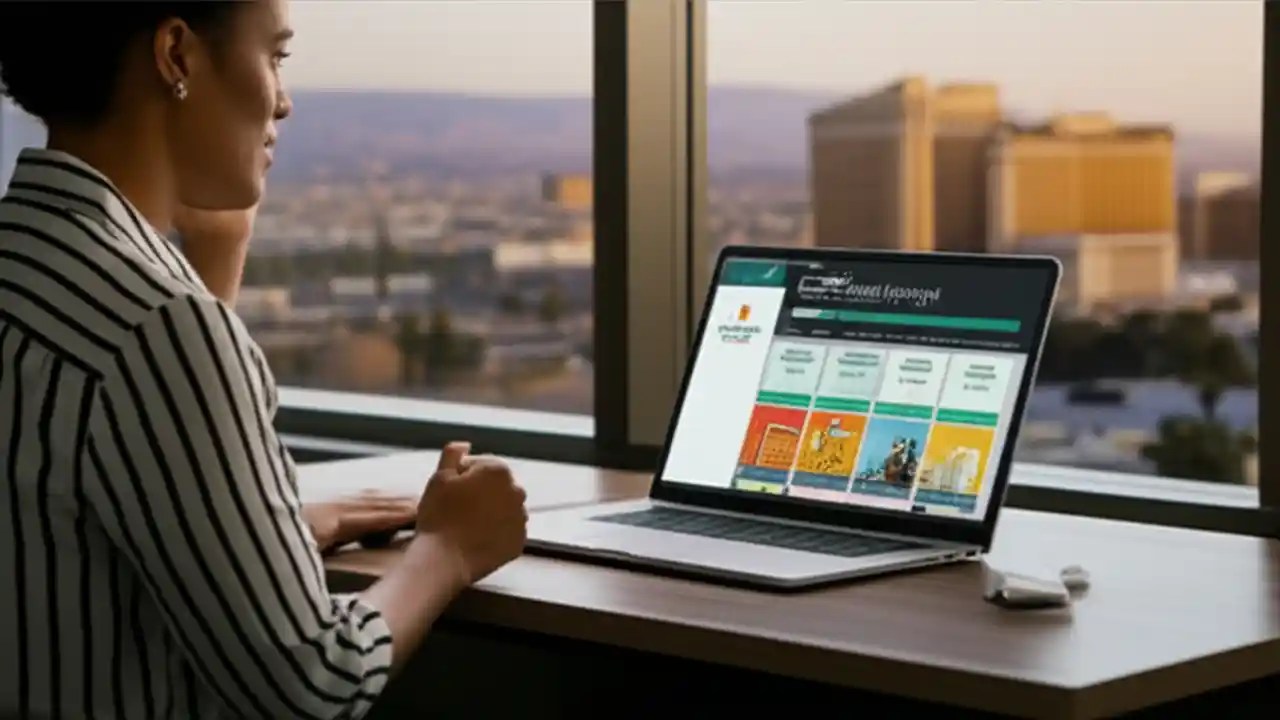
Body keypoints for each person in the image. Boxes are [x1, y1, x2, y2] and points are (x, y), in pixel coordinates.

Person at [0, 1, 528, 718]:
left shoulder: (34, 275)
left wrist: (253, 530)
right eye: (275, 56)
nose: (284, 101)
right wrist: (447, 549)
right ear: (177, 56)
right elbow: (315, 683)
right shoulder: (158, 327)